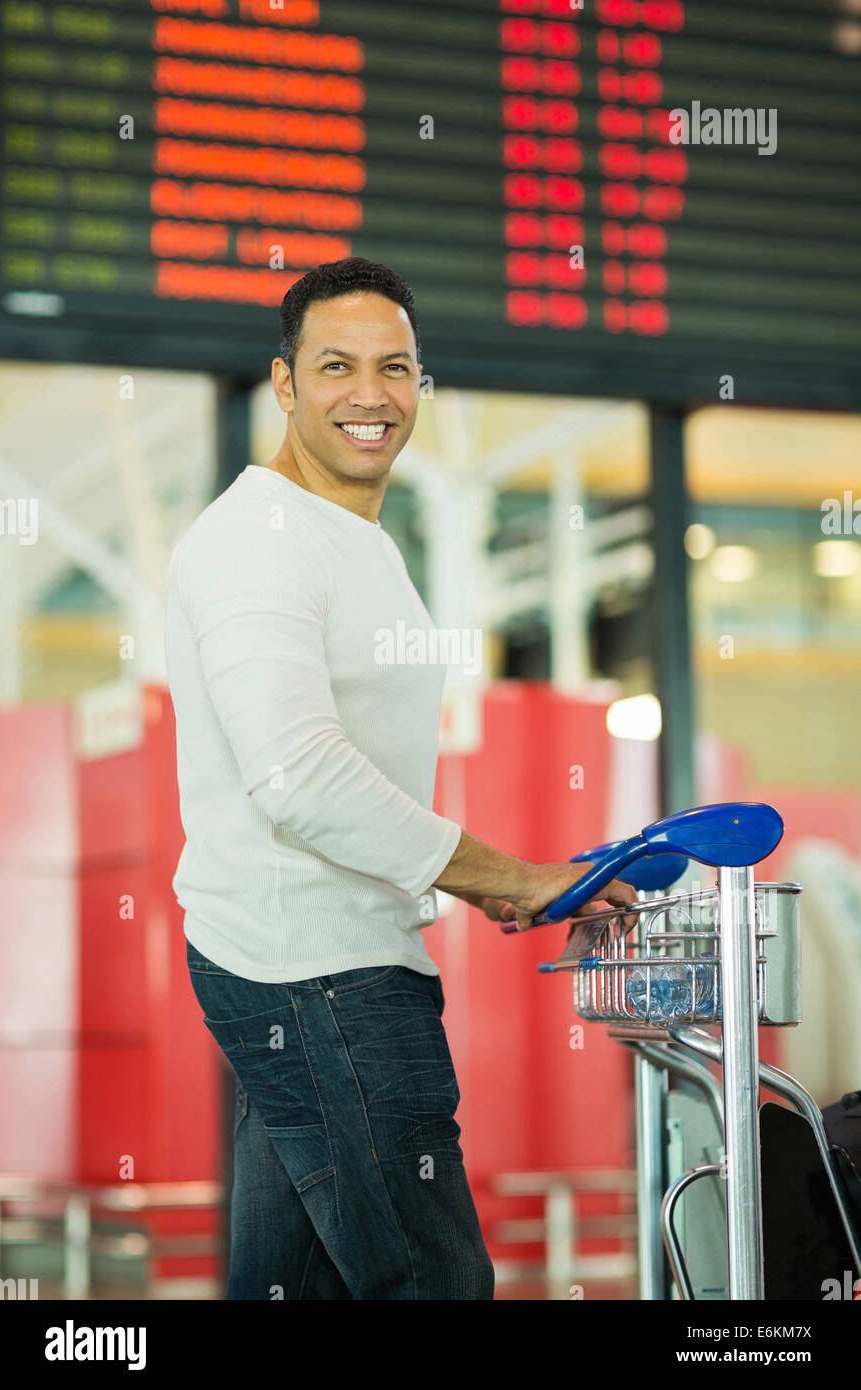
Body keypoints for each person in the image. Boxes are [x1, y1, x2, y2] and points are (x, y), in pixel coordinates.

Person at [164, 257, 636, 1300]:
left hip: (324, 958)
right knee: (431, 1282)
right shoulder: (258, 541)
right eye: (335, 365)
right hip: (316, 972)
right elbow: (295, 773)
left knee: (294, 1283)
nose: (370, 394)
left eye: (396, 368)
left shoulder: (352, 537)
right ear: (282, 382)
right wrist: (505, 877)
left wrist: (486, 877)